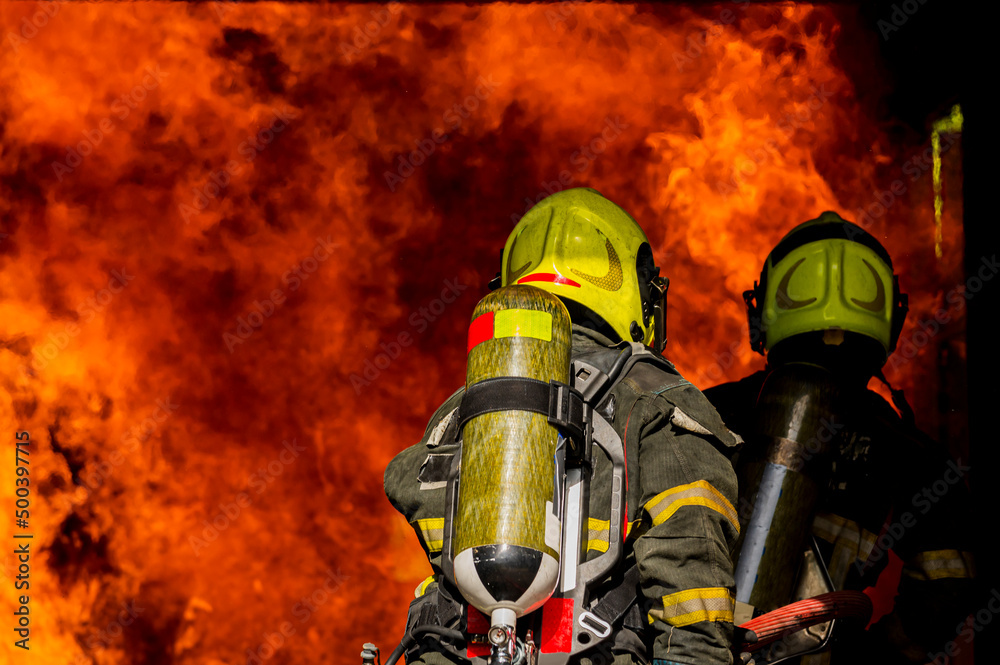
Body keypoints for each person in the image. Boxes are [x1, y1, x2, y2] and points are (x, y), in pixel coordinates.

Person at [384, 188, 745, 665]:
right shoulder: (656, 401)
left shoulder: (465, 409)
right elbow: (692, 606)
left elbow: (407, 484)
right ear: (637, 293)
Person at [704, 211, 976, 665]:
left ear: (762, 316)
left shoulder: (705, 411)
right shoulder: (910, 452)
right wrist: (873, 656)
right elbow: (950, 590)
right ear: (892, 321)